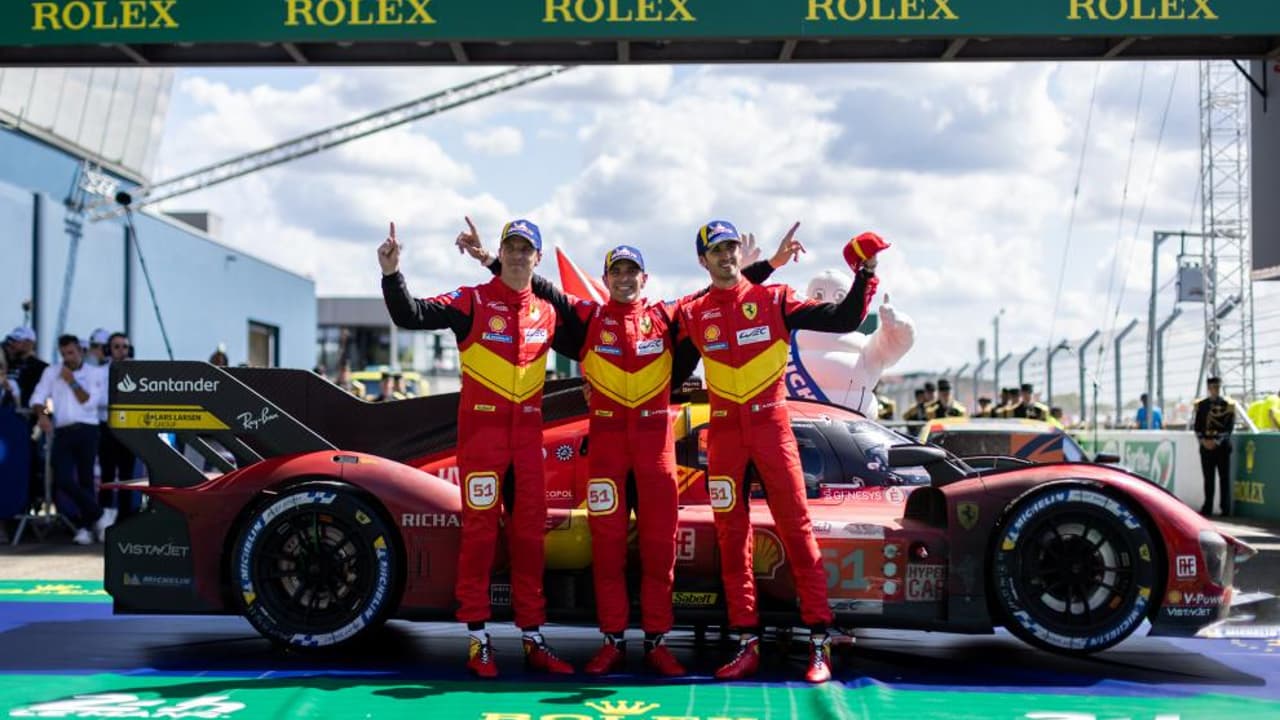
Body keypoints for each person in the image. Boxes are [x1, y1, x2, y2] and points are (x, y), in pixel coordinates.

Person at [459, 228, 793, 678]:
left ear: (644, 277)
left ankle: (657, 641)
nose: (624, 278)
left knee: (660, 551)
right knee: (608, 550)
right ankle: (611, 640)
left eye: (631, 271)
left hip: (656, 455)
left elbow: (720, 288)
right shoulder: (588, 318)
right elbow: (537, 287)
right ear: (606, 277)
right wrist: (490, 263)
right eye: (616, 271)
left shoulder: (668, 315)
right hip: (605, 455)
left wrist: (765, 267)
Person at [676, 220, 884, 683]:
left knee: (796, 529)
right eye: (717, 250)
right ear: (703, 260)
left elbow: (843, 320)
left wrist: (865, 275)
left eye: (731, 247)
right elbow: (668, 363)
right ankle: (745, 641)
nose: (726, 255)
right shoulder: (694, 312)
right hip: (725, 433)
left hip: (772, 426)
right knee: (732, 537)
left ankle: (818, 641)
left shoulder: (774, 298)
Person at [380, 218, 572, 678]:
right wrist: (392, 274)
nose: (519, 255)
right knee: (480, 536)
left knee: (529, 540)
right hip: (483, 440)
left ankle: (533, 637)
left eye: (527, 249)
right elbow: (411, 314)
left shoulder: (547, 311)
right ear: (501, 252)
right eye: (512, 247)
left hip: (528, 443)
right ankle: (478, 639)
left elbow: (596, 336)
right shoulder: (473, 300)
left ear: (537, 258)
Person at [28, 334, 112, 545]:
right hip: (63, 430)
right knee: (63, 478)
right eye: (64, 354)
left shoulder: (94, 373)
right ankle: (99, 514)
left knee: (86, 478)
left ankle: (86, 526)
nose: (68, 357)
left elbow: (90, 402)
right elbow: (37, 397)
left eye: (71, 353)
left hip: (88, 429)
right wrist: (42, 415)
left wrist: (72, 381)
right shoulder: (52, 371)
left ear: (81, 351)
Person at [97, 333, 136, 519]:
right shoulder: (100, 372)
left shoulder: (136, 372)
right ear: (108, 350)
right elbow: (100, 399)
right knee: (108, 473)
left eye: (125, 347)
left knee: (127, 476)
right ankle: (105, 513)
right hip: (107, 427)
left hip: (128, 428)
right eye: (117, 346)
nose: (121, 350)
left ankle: (125, 515)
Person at [1193, 376, 1236, 516]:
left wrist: (1216, 441)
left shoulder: (1228, 405)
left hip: (1222, 447)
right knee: (1208, 478)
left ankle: (1225, 508)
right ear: (1208, 388)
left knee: (1224, 478)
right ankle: (1208, 507)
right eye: (1212, 387)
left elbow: (1229, 428)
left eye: (1216, 387)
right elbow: (1197, 426)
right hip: (1206, 447)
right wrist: (1204, 441)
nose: (1214, 390)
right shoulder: (1201, 405)